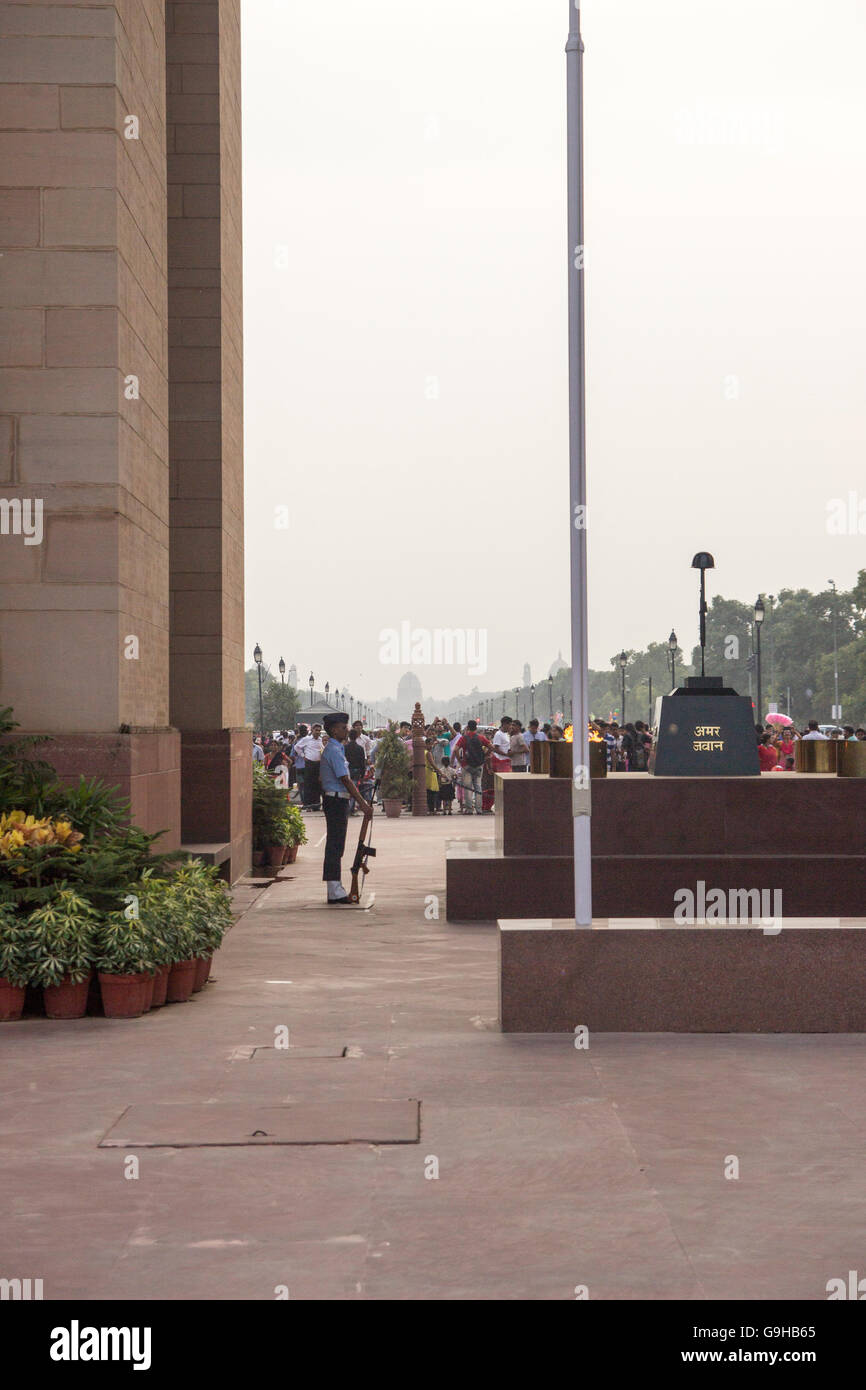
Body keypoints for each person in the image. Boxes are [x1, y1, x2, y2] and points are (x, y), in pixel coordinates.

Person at [319, 711, 372, 904]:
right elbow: (345, 779)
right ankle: (334, 890)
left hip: (337, 799)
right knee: (335, 845)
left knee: (337, 845)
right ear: (334, 730)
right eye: (343, 727)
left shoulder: (337, 748)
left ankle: (336, 888)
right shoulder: (333, 750)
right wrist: (363, 804)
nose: (346, 730)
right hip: (336, 800)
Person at [456, 719, 490, 815]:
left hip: (466, 766)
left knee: (468, 788)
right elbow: (491, 747)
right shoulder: (481, 738)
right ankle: (479, 809)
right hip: (479, 765)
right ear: (476, 727)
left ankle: (469, 809)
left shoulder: (464, 738)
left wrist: (460, 760)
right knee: (478, 787)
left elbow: (455, 749)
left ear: (468, 727)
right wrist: (485, 755)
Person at [294, 723, 324, 807]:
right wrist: (303, 756)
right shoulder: (306, 739)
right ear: (312, 730)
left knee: (317, 784)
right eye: (316, 730)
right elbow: (296, 747)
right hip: (309, 763)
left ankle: (316, 803)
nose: (318, 732)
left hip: (318, 764)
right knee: (308, 784)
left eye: (319, 730)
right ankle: (308, 804)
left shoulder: (320, 740)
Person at [345, 726, 367, 816]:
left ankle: (347, 809)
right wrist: (362, 773)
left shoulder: (345, 748)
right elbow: (362, 762)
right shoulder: (360, 748)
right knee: (354, 790)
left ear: (349, 736)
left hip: (347, 770)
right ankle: (351, 809)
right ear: (357, 736)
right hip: (357, 771)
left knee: (347, 790)